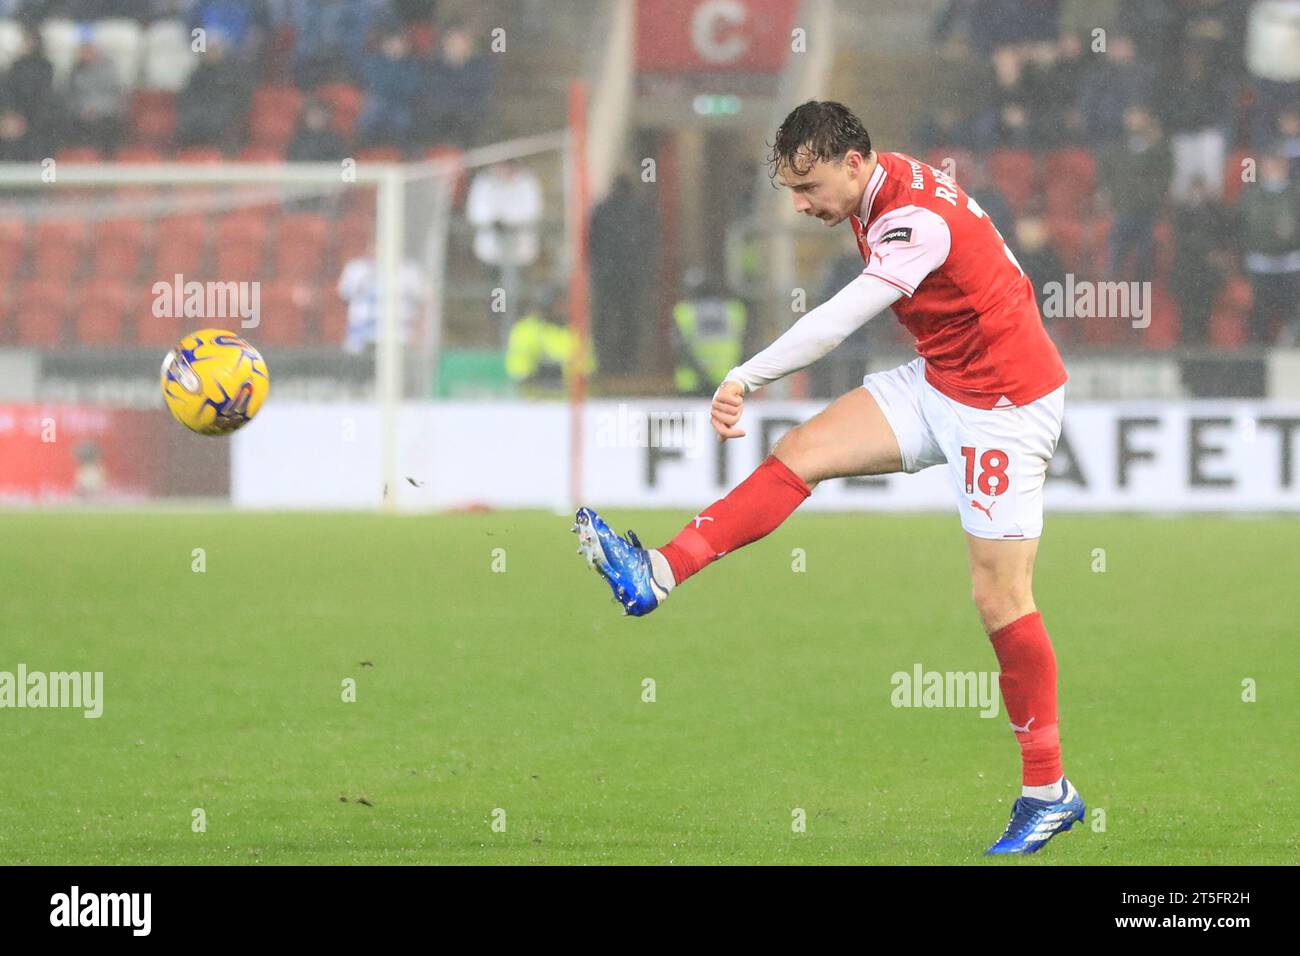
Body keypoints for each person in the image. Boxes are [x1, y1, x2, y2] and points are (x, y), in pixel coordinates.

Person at [571, 101, 1081, 856]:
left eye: (808, 189)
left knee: (999, 596)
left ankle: (1049, 791)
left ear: (852, 162)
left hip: (1005, 403)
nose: (803, 206)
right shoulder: (880, 183)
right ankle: (657, 574)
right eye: (791, 191)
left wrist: (745, 374)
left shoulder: (914, 220)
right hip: (944, 379)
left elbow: (841, 320)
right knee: (804, 452)